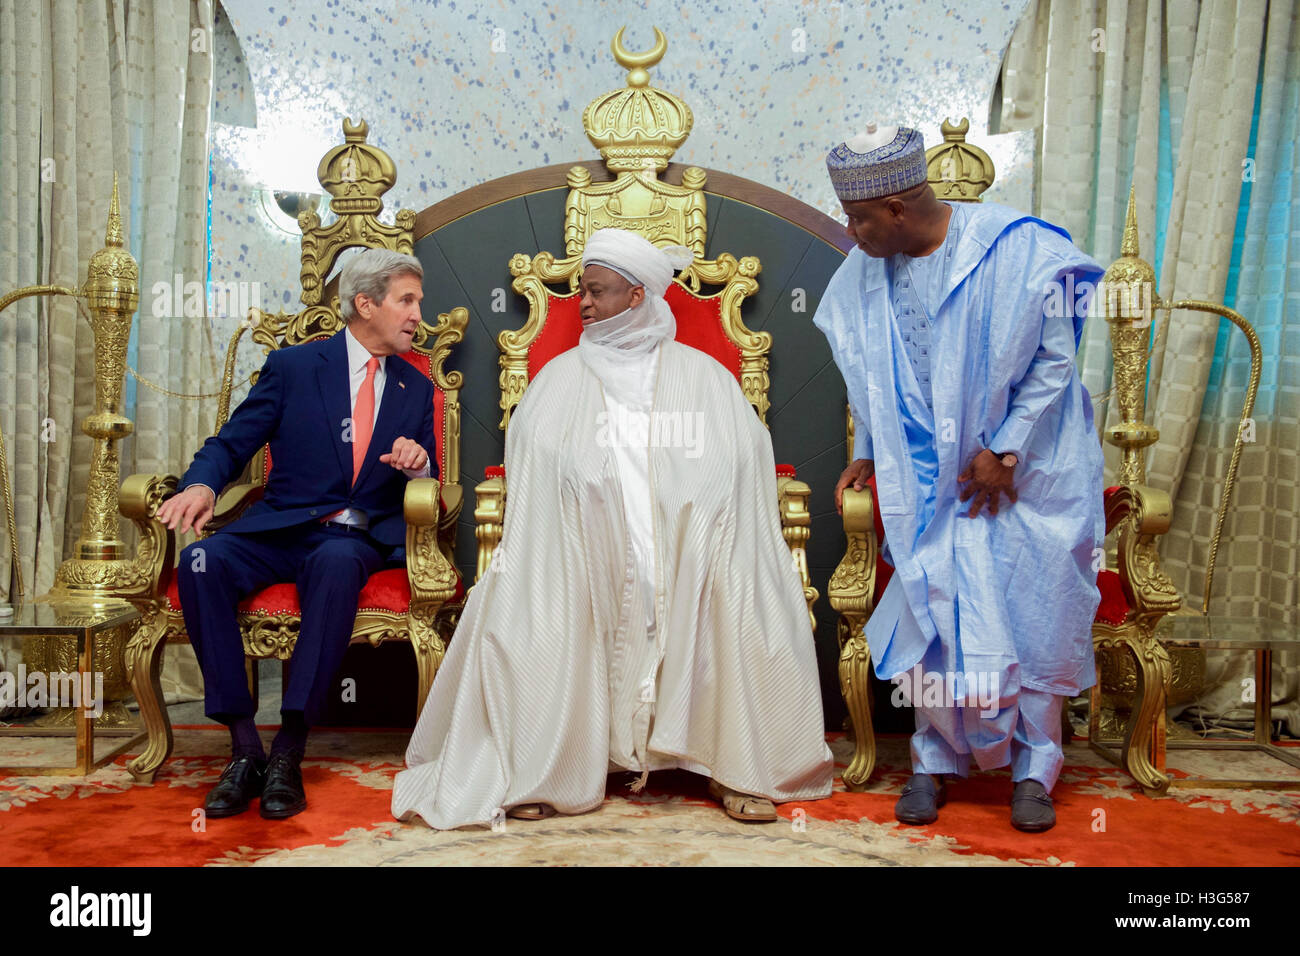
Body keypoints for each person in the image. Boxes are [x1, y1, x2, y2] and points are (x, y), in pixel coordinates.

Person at [392, 228, 833, 828]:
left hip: (689, 537)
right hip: (582, 539)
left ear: (636, 297)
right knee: (557, 580)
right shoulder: (559, 377)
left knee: (722, 568)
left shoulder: (704, 377)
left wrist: (684, 504)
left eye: (598, 291)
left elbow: (737, 463)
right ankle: (551, 764)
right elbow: (536, 463)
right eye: (582, 291)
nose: (585, 303)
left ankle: (736, 767)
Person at [812, 125, 1104, 832]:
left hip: (1026, 474)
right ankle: (934, 761)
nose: (851, 235)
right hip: (927, 478)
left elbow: (1055, 360)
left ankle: (1036, 770)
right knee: (935, 613)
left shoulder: (1017, 248)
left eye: (858, 219)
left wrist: (1004, 449)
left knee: (1029, 617)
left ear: (900, 208)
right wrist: (876, 447)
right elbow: (874, 373)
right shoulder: (864, 272)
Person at [156, 248, 437, 820]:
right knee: (201, 562)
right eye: (406, 301)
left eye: (418, 303)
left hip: (351, 540)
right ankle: (242, 747)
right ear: (366, 303)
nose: (417, 315)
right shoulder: (293, 368)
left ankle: (288, 748)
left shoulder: (416, 387)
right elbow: (231, 443)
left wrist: (419, 465)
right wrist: (203, 487)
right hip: (280, 526)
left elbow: (433, 476)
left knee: (335, 564)